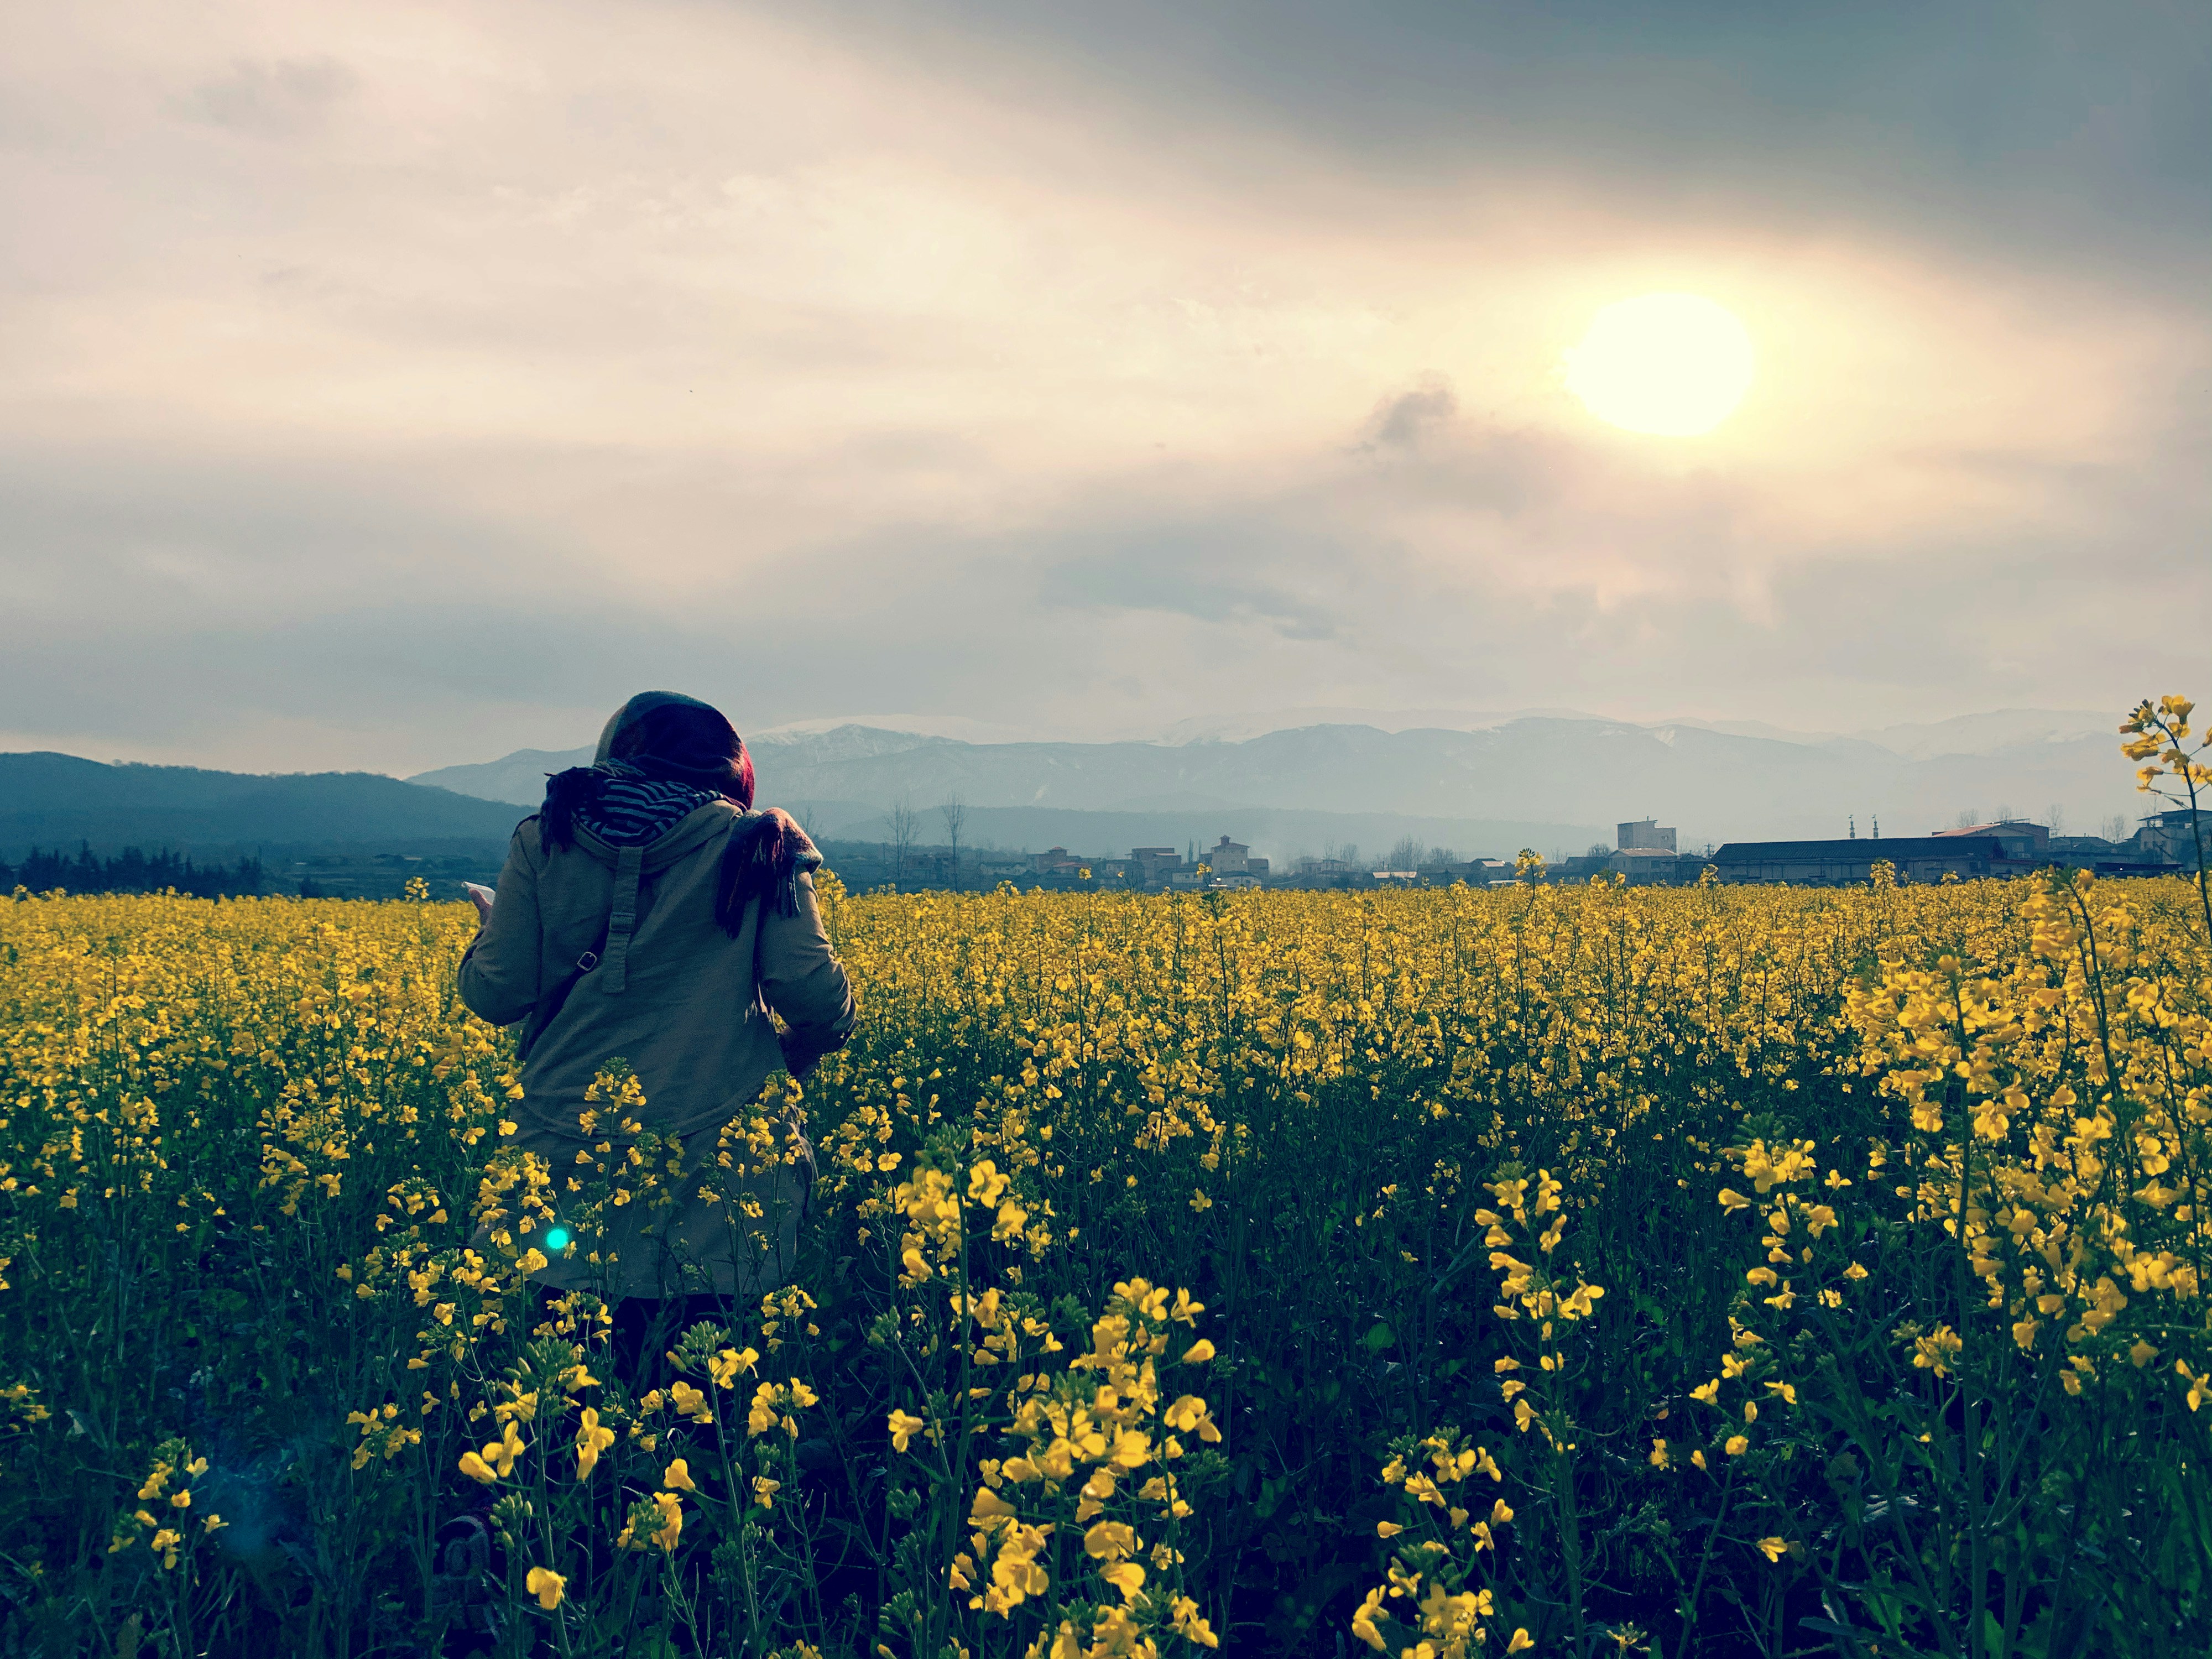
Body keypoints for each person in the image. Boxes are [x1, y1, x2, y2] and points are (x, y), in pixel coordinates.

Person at [455, 690, 854, 1374]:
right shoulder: (759, 844)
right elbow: (814, 995)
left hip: (564, 1160)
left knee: (564, 1407)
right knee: (711, 1417)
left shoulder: (546, 836)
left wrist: (493, 932)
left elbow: (496, 994)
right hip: (722, 1167)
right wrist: (796, 1053)